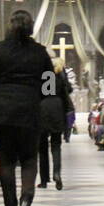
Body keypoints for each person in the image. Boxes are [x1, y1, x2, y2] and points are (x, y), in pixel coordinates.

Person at [0, 9, 54, 206]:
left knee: (7, 161)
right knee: (30, 159)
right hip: (29, 110)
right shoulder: (40, 52)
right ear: (31, 27)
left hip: (1, 111)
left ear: (10, 25)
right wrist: (36, 96)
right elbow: (49, 84)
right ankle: (26, 199)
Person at [38, 57, 69, 190]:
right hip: (57, 108)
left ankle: (44, 180)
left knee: (42, 147)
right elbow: (66, 94)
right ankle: (57, 173)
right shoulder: (60, 77)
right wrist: (65, 112)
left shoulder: (42, 75)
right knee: (56, 146)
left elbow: (36, 93)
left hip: (43, 108)